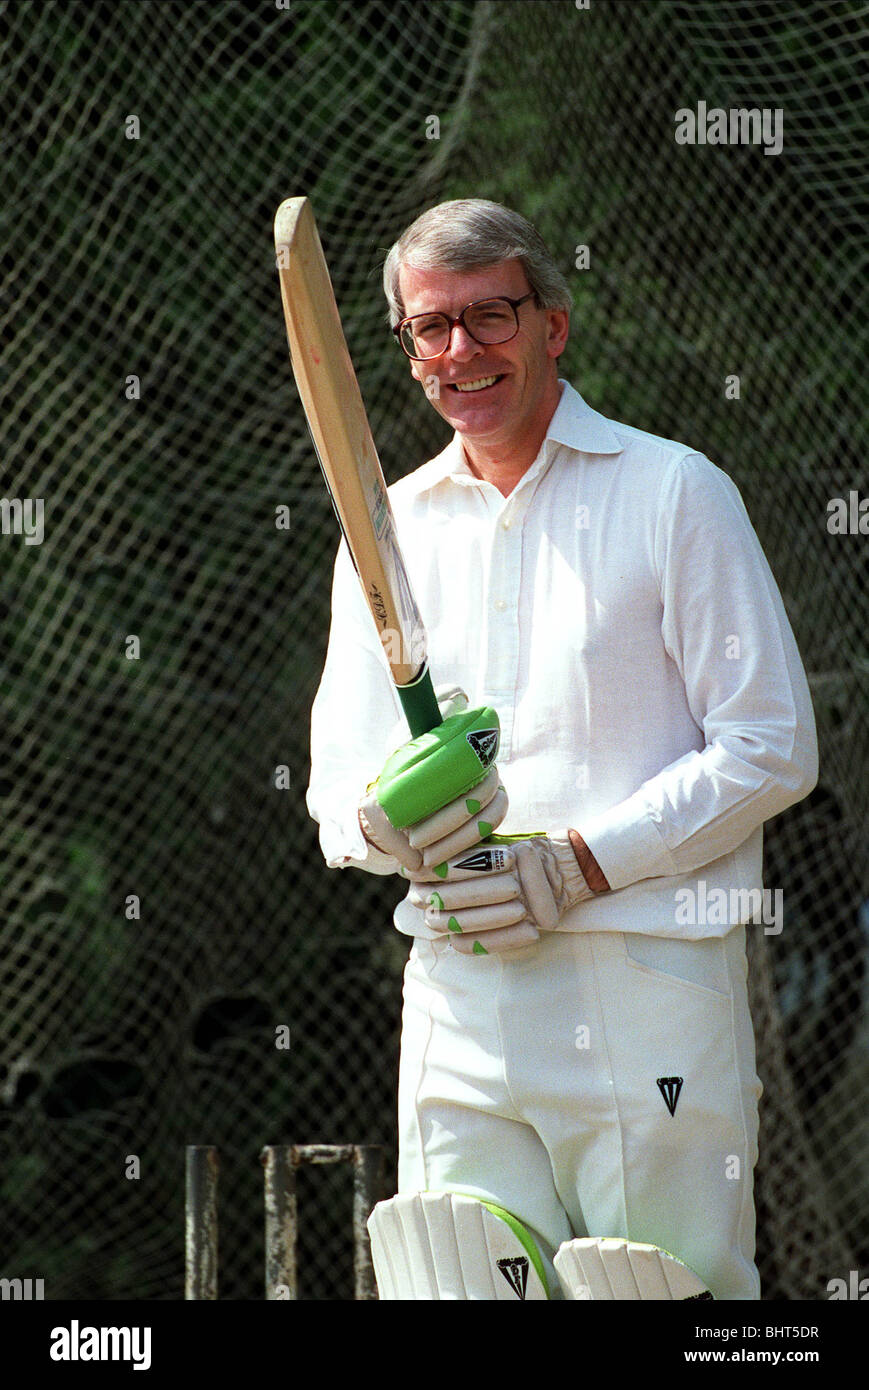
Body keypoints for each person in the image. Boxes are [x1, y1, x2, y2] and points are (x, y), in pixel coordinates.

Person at [306, 199, 818, 1300]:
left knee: (658, 1288)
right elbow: (335, 789)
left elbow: (770, 746)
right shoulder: (384, 532)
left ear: (553, 324)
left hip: (642, 976)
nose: (460, 352)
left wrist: (573, 863)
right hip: (456, 983)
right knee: (449, 1279)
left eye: (488, 315)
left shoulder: (671, 491)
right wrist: (382, 822)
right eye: (429, 329)